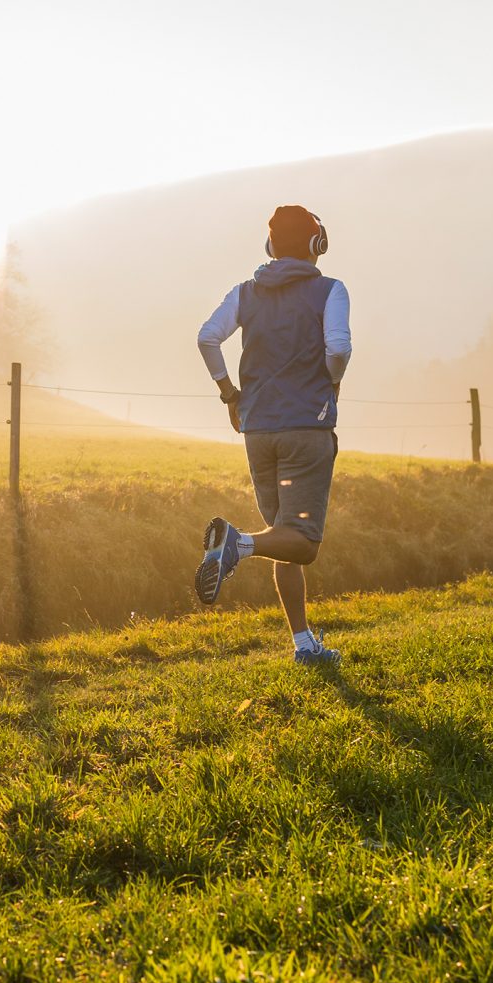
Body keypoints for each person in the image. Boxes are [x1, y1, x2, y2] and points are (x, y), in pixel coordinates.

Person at [195, 204, 351, 665]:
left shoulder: (246, 293)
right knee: (302, 542)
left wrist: (230, 395)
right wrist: (332, 381)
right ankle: (236, 544)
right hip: (306, 427)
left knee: (283, 534)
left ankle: (304, 645)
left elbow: (207, 337)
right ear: (316, 245)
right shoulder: (331, 290)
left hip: (258, 429)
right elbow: (339, 347)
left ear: (270, 246)